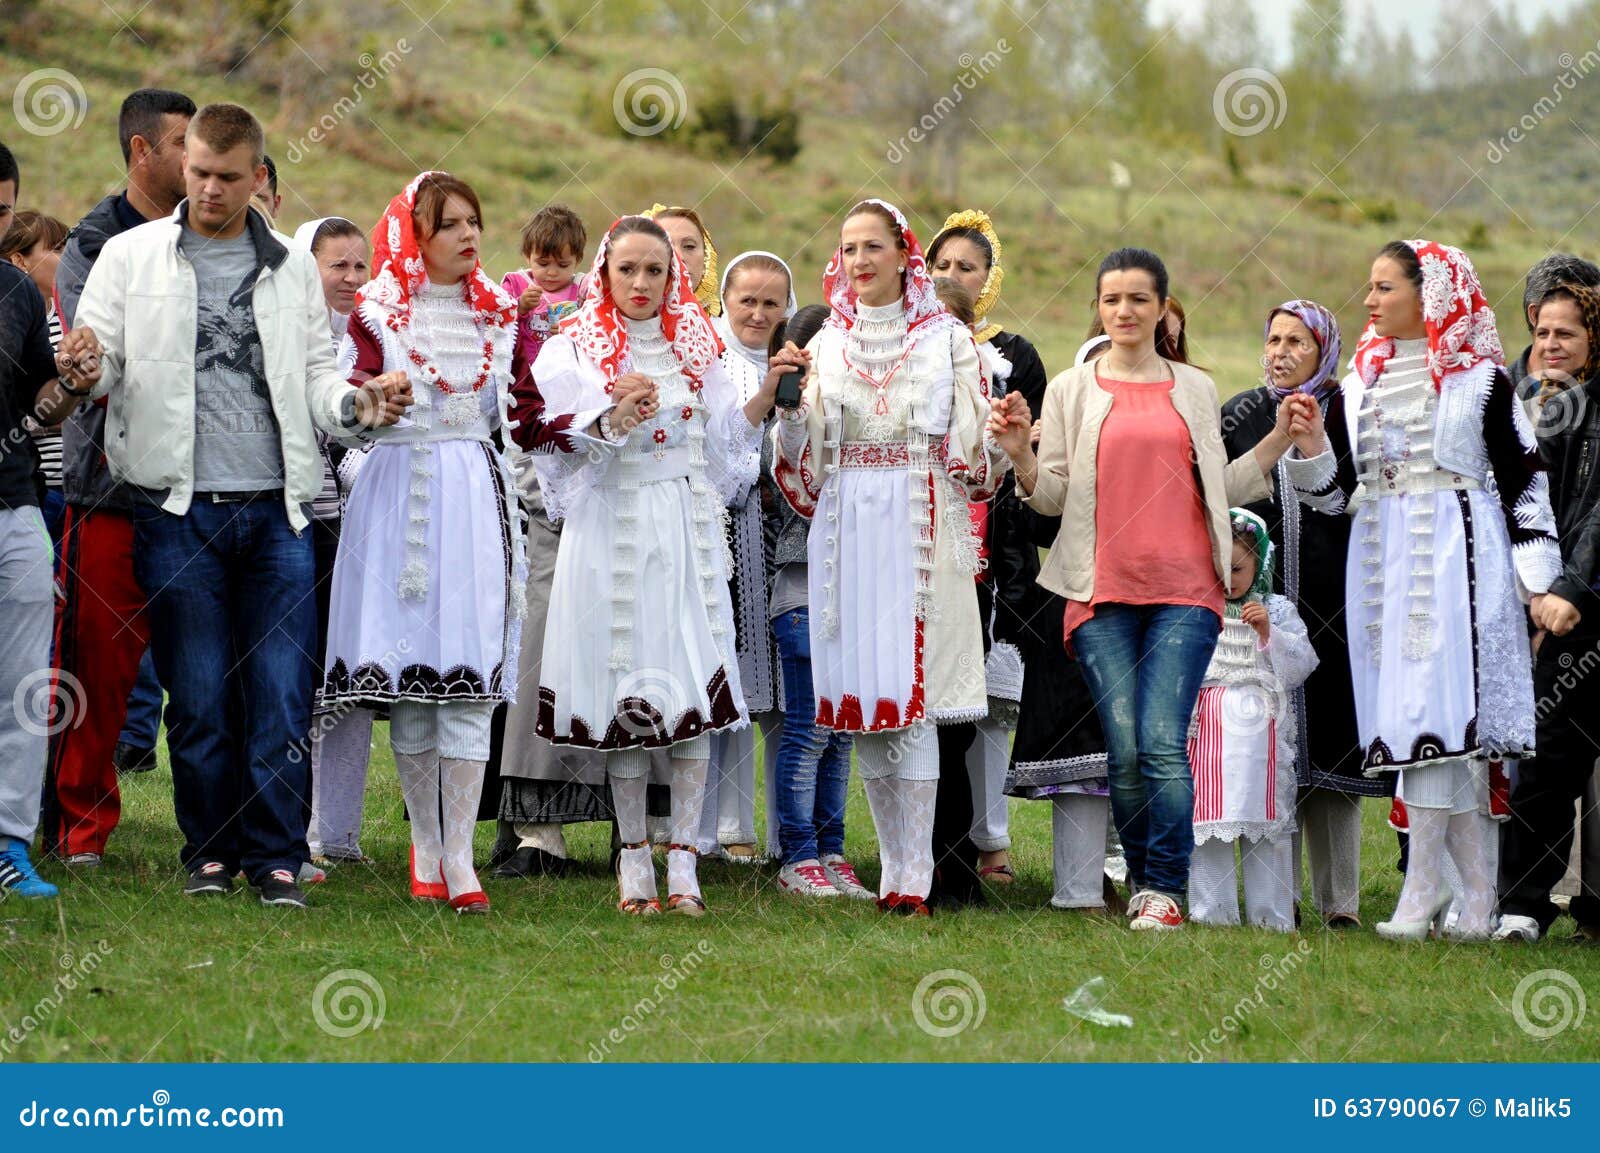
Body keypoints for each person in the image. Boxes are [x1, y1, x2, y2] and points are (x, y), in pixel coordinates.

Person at [74, 103, 405, 908]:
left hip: (278, 509)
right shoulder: (128, 256)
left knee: (282, 694)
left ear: (259, 176)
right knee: (198, 697)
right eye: (198, 174)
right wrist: (86, 368)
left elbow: (319, 374)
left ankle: (278, 855)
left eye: (228, 177)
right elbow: (101, 356)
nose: (211, 191)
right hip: (173, 507)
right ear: (181, 166)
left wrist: (357, 405)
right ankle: (210, 853)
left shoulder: (292, 264)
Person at [990, 247, 1303, 931]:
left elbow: (1216, 488)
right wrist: (1021, 456)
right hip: (1099, 591)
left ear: (1163, 309)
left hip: (1185, 590)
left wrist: (1278, 439)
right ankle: (1143, 880)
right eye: (1111, 299)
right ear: (1099, 307)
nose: (1124, 311)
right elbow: (1053, 498)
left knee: (1162, 741)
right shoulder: (1073, 388)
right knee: (1125, 746)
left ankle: (1164, 888)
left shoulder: (1193, 386)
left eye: (1138, 299)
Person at [1289, 240, 1559, 941]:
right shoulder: (1359, 383)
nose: (1371, 301)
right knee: (1415, 721)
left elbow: (1524, 479)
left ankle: (1422, 888)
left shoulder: (1480, 383)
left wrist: (1537, 583)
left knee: (1441, 716)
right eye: (1369, 287)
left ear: (1428, 293)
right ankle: (1476, 902)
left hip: (1457, 557)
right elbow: (1333, 493)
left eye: (1384, 287)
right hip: (1382, 560)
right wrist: (1315, 443)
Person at [533, 214, 780, 916]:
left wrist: (763, 400)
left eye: (656, 270)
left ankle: (686, 863)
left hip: (683, 525)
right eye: (628, 269)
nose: (641, 283)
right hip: (612, 526)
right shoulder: (573, 347)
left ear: (675, 277)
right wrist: (612, 419)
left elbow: (729, 441)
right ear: (604, 272)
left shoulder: (697, 340)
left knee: (693, 691)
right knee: (627, 695)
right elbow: (552, 453)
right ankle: (633, 859)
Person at [773, 198, 1007, 918]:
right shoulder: (830, 344)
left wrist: (1000, 437)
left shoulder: (947, 340)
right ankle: (892, 874)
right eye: (848, 248)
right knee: (870, 706)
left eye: (873, 245)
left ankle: (918, 876)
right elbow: (804, 465)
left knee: (918, 708)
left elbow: (976, 456)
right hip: (849, 528)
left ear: (904, 254)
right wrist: (786, 412)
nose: (860, 259)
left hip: (921, 519)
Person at [322, 171, 524, 914]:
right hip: (400, 493)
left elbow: (523, 413)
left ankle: (463, 852)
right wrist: (373, 404)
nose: (469, 235)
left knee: (468, 671)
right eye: (450, 225)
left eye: (475, 220)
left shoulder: (501, 313)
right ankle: (426, 847)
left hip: (473, 491)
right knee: (413, 674)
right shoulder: (377, 312)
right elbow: (342, 408)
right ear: (416, 234)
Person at [43, 87, 195, 865]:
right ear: (141, 152)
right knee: (97, 669)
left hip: (202, 488)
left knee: (209, 670)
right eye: (180, 145)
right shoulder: (92, 243)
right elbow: (96, 352)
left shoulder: (220, 232)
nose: (195, 161)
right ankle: (82, 827)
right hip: (108, 488)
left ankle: (213, 833)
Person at [1222, 299, 1370, 928]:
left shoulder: (1350, 413)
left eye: (1298, 343)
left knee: (1333, 750)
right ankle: (1275, 898)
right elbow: (1221, 492)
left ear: (1324, 352)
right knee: (1268, 748)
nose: (1281, 353)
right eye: (1274, 339)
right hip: (1259, 613)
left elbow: (1356, 504)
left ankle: (1340, 903)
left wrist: (1315, 445)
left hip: (1334, 604)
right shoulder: (1245, 411)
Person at [928, 209, 1051, 891]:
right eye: (941, 266)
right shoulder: (906, 348)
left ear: (990, 278)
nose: (953, 276)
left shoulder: (1015, 355)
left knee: (975, 704)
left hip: (987, 545)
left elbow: (1021, 454)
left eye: (967, 267)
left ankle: (980, 842)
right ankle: (927, 850)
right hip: (921, 540)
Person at [0, 153, 105, 898]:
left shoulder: (12, 291)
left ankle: (8, 843)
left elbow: (42, 403)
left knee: (25, 683)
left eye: (3, 211)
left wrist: (72, 380)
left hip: (15, 505)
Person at [1495, 281, 1600, 942]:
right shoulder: (1551, 408)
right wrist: (1533, 590)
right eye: (1543, 332)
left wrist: (1570, 589)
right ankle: (1523, 906)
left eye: (1567, 331)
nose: (1552, 343)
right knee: (1546, 760)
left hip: (1581, 601)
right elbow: (1531, 506)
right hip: (1559, 608)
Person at [1004, 335, 1118, 914]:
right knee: (1077, 752)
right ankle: (1078, 886)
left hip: (1150, 598)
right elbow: (1039, 526)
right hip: (1073, 596)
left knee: (1146, 746)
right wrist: (1029, 456)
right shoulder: (1058, 437)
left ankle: (1150, 882)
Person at [763, 304, 865, 897]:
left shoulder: (863, 407)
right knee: (807, 730)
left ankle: (832, 850)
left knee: (841, 729)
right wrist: (790, 394)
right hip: (803, 591)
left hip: (857, 591)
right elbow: (788, 468)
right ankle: (796, 854)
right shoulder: (787, 415)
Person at [697, 251, 796, 864]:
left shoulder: (800, 363)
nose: (758, 313)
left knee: (783, 697)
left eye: (771, 302)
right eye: (748, 300)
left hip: (784, 544)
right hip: (725, 539)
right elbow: (719, 467)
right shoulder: (710, 365)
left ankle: (787, 839)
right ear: (725, 301)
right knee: (720, 687)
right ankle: (707, 832)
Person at [290, 216, 377, 869]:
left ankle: (339, 831)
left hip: (364, 529)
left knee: (348, 679)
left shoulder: (374, 336)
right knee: (299, 676)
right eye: (337, 265)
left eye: (359, 266)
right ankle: (292, 826)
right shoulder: (293, 337)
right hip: (304, 521)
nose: (351, 279)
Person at [1187, 511, 1318, 930]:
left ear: (1259, 562)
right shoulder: (1195, 604)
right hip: (1207, 726)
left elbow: (1302, 663)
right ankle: (1213, 912)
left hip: (1260, 730)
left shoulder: (1276, 608)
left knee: (1264, 822)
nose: (1229, 580)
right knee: (1208, 818)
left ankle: (1271, 915)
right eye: (1220, 567)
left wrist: (1268, 636)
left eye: (1239, 568)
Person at [1, 211, 70, 552]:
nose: (67, 256)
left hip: (77, 491)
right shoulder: (11, 334)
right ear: (19, 261)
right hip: (39, 491)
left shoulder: (74, 323)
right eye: (56, 247)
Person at [501, 205, 587, 376]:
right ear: (527, 255)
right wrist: (520, 307)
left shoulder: (581, 290)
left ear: (577, 260)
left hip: (567, 375)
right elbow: (496, 321)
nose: (552, 272)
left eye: (563, 265)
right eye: (543, 263)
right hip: (523, 376)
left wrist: (572, 329)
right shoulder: (516, 285)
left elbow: (595, 328)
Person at [646, 203, 720, 316]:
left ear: (707, 256)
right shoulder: (616, 328)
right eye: (665, 246)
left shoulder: (729, 328)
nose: (679, 257)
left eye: (689, 246)